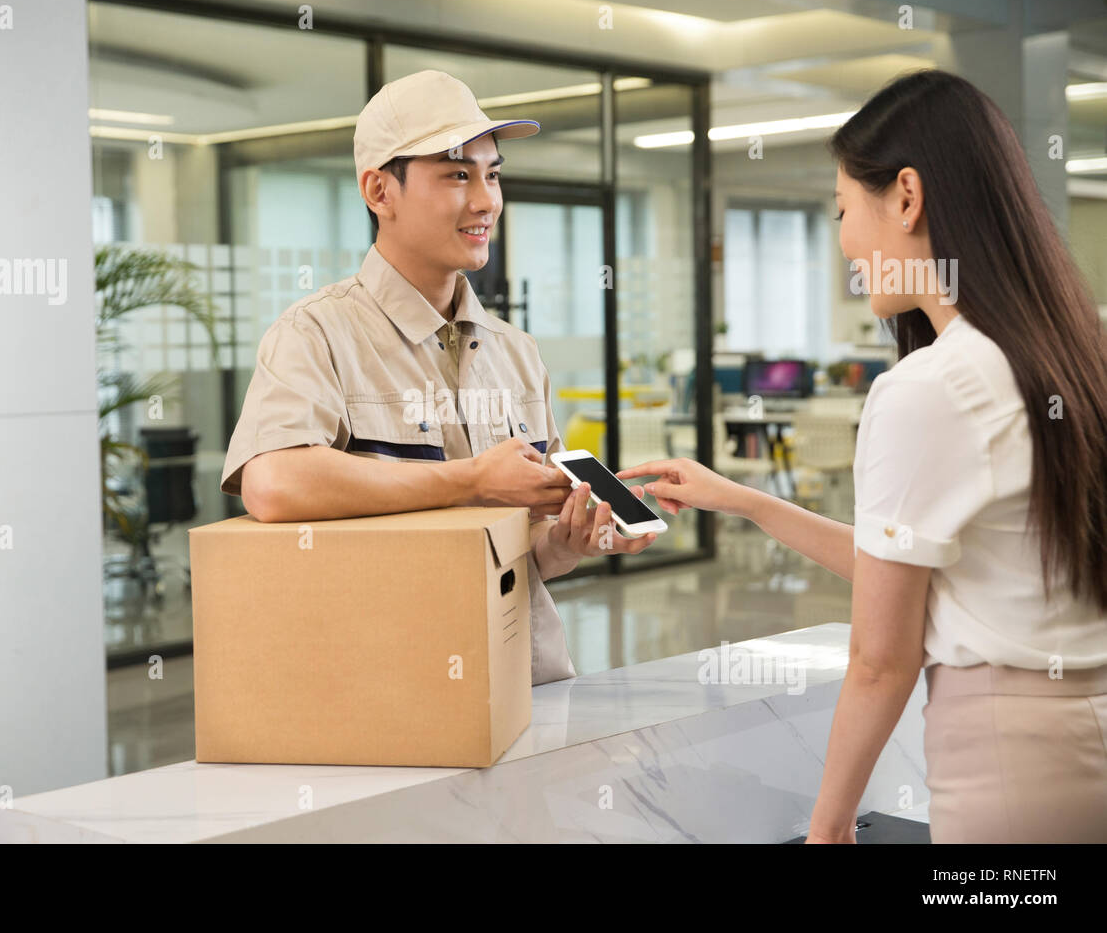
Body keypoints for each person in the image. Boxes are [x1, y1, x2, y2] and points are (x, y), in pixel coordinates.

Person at [619, 69, 1107, 843]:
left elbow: (883, 656)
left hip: (1011, 765)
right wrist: (744, 499)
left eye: (844, 208)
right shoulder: (1067, 356)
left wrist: (830, 823)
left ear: (906, 197)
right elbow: (915, 572)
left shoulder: (931, 385)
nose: (845, 239)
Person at [222, 69, 657, 685]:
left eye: (493, 174)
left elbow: (531, 550)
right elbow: (273, 484)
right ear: (379, 191)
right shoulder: (316, 335)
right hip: (399, 690)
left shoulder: (517, 351)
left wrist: (568, 541)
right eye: (457, 174)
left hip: (524, 681)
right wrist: (471, 479)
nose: (486, 201)